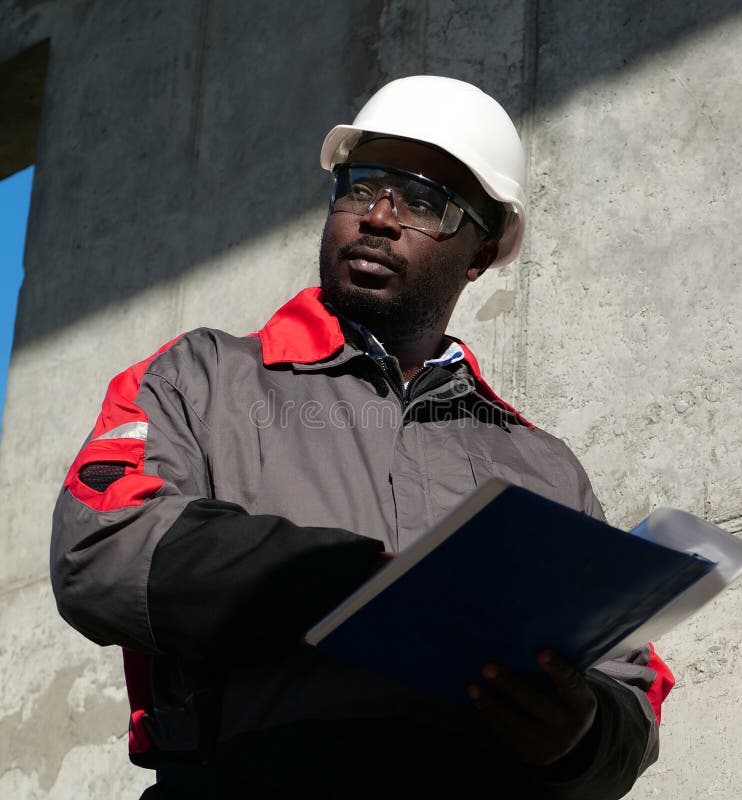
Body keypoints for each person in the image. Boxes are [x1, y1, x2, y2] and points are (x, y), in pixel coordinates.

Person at [51, 75, 674, 798]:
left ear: (481, 252)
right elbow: (101, 542)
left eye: (420, 201)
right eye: (362, 184)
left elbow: (633, 682)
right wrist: (353, 579)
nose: (378, 215)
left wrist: (583, 735)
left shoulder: (545, 468)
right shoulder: (203, 378)